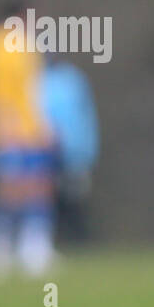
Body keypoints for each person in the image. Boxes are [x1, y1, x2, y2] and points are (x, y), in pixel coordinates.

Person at [0, 0, 56, 277]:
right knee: (10, 188)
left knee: (38, 185)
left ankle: (33, 247)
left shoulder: (28, 46)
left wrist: (45, 125)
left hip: (32, 130)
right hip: (8, 130)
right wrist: (5, 126)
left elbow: (35, 90)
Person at [41, 45, 99, 244]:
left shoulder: (73, 79)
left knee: (74, 203)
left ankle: (80, 246)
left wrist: (87, 152)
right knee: (46, 204)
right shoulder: (33, 79)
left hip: (73, 153)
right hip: (43, 153)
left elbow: (87, 118)